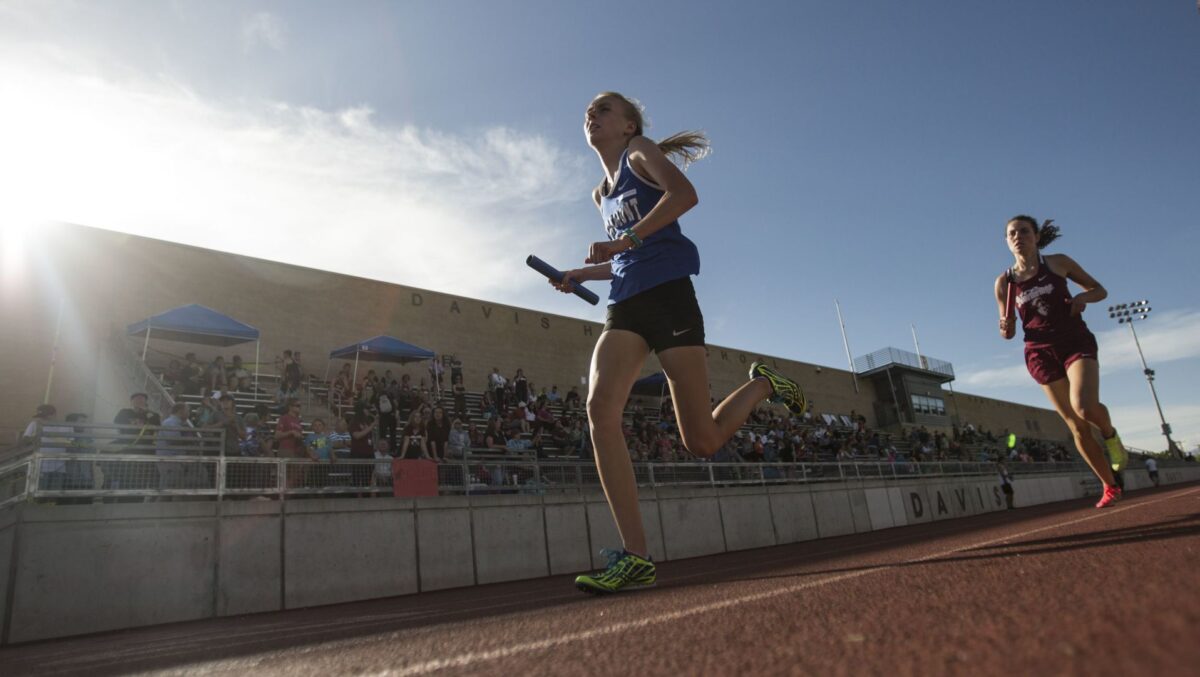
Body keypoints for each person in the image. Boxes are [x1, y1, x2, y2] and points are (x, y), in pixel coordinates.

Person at [557, 92, 806, 594]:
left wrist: (626, 240)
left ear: (629, 126)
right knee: (600, 411)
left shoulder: (640, 153)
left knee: (703, 441)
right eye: (589, 110)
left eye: (604, 109)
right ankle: (636, 556)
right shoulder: (599, 194)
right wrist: (580, 272)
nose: (593, 114)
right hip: (627, 302)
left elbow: (684, 197)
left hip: (670, 297)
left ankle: (762, 386)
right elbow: (625, 258)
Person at [996, 216, 1126, 509]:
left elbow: (1099, 290)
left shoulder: (1057, 263)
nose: (1018, 237)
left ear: (1036, 236)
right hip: (1038, 351)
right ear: (1006, 241)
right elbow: (1008, 329)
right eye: (1011, 233)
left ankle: (1110, 436)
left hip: (1073, 340)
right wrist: (1005, 328)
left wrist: (1082, 298)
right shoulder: (1004, 282)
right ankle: (1109, 485)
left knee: (1084, 406)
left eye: (1024, 231)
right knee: (1076, 425)